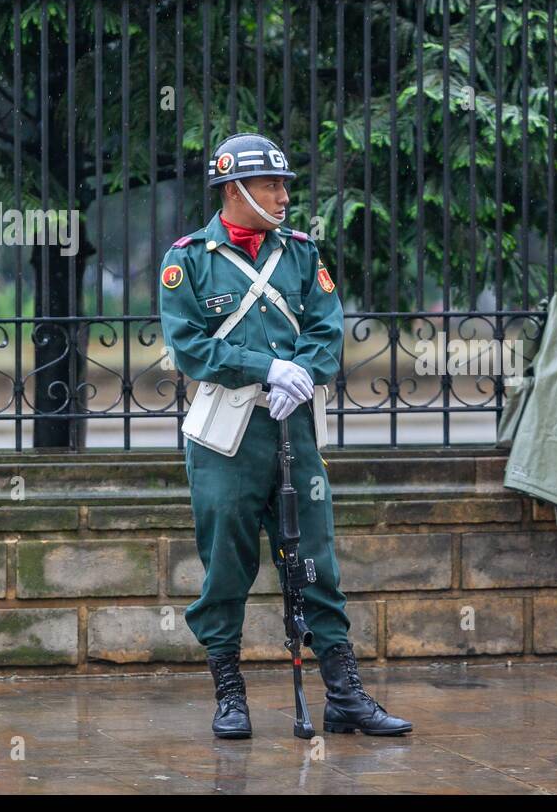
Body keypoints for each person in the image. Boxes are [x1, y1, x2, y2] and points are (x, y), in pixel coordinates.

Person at [158, 131, 412, 740]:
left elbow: (327, 326)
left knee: (316, 562)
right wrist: (263, 367)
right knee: (227, 566)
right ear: (234, 189)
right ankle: (230, 692)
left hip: (295, 429)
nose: (283, 196)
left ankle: (344, 695)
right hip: (227, 441)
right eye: (271, 185)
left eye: (284, 184)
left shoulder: (299, 252)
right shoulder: (188, 258)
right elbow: (188, 344)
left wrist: (304, 372)